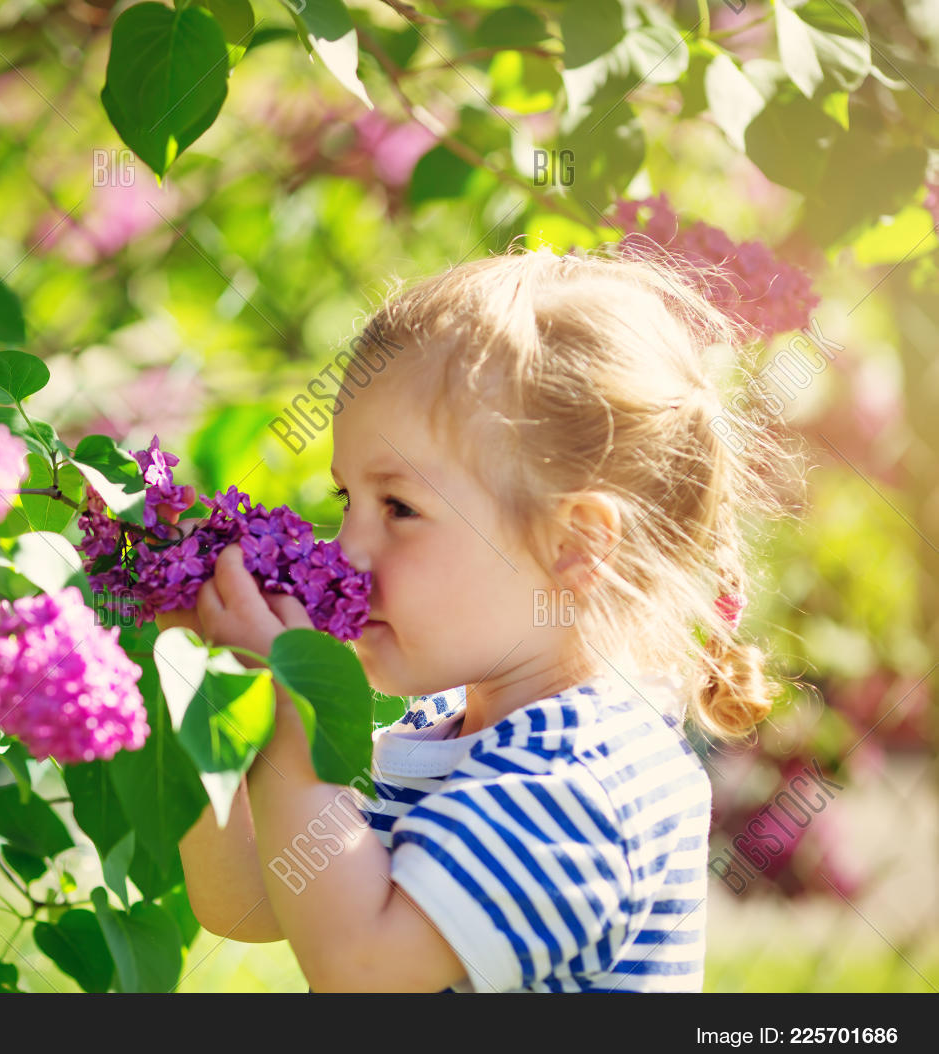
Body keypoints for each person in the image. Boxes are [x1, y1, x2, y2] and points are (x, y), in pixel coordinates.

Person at [163, 242, 800, 992]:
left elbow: (363, 968)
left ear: (574, 545)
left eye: (398, 506)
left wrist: (299, 731)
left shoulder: (581, 780)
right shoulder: (442, 734)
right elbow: (245, 901)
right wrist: (227, 695)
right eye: (347, 501)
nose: (347, 547)